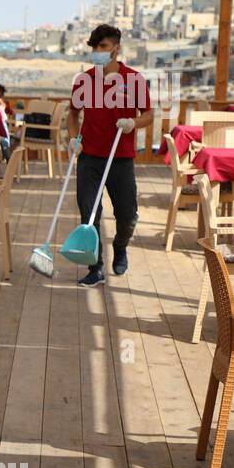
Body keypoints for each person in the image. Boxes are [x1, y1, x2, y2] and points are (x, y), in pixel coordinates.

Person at [65, 24, 153, 286]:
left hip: (121, 158)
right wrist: (73, 138)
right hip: (90, 157)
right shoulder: (84, 80)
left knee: (128, 215)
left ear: (117, 48)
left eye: (102, 46)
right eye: (94, 47)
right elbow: (72, 115)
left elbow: (148, 115)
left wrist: (132, 123)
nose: (97, 52)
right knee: (89, 214)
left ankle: (121, 245)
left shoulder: (133, 79)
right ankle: (95, 268)